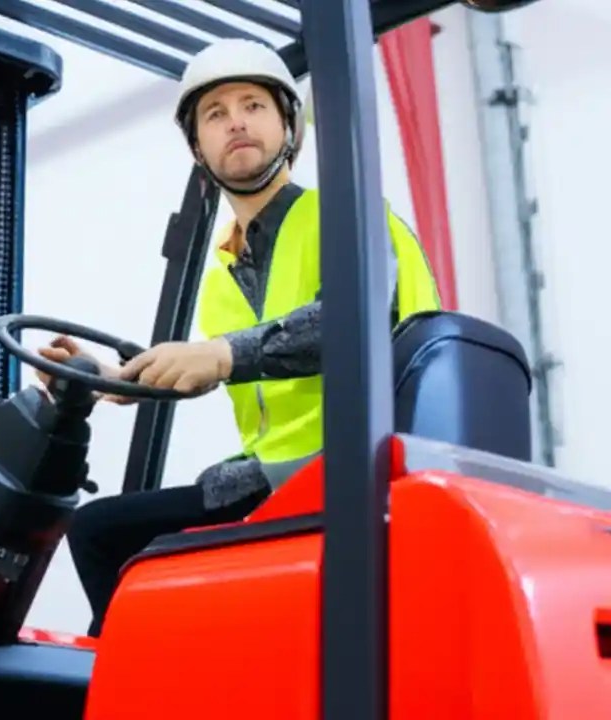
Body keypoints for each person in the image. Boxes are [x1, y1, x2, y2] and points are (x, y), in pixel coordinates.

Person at [39, 38, 443, 636]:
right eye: (216, 114)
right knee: (119, 539)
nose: (236, 123)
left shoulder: (347, 214)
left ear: (289, 125)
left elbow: (351, 319)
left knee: (101, 533)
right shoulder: (223, 276)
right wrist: (110, 380)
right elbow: (216, 369)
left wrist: (224, 354)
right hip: (278, 477)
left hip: (358, 466)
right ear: (197, 147)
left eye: (252, 105)